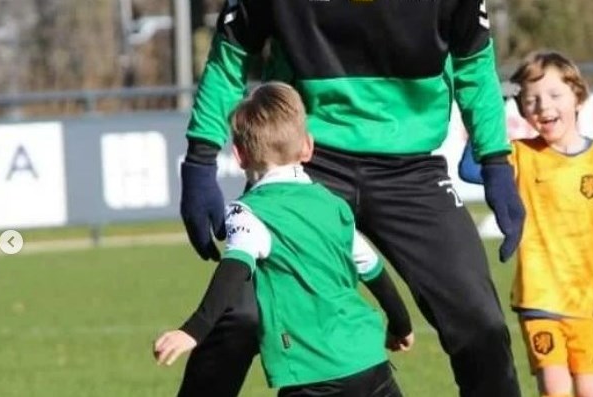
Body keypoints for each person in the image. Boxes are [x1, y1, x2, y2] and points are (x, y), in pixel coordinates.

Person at [177, 0, 525, 396]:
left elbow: (474, 66)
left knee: (480, 325)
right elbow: (229, 57)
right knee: (239, 315)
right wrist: (200, 160)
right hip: (305, 165)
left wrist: (496, 158)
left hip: (410, 171)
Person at [157, 82, 414, 396]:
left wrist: (193, 331)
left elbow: (234, 269)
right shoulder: (334, 206)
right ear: (308, 146)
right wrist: (401, 325)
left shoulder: (248, 212)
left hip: (312, 373)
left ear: (239, 155)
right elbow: (373, 270)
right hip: (370, 363)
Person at [459, 51, 593, 397]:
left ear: (577, 96)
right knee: (555, 389)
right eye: (531, 100)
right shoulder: (520, 156)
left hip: (589, 303)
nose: (543, 107)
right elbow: (470, 168)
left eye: (553, 95)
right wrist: (493, 109)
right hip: (540, 297)